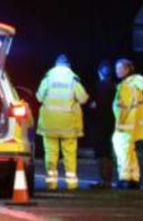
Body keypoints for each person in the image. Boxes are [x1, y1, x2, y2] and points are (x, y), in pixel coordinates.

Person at [36, 54, 89, 190]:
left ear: (55, 64)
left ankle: (51, 183)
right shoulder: (73, 78)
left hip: (50, 123)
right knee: (70, 154)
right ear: (68, 65)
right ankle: (71, 184)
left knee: (50, 154)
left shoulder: (48, 78)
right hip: (68, 124)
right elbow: (83, 98)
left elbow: (39, 97)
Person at [112, 58, 143, 190]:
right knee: (130, 153)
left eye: (119, 68)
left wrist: (119, 124)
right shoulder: (135, 85)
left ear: (127, 69)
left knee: (123, 153)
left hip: (124, 126)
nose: (116, 71)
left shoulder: (126, 86)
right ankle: (134, 178)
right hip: (133, 126)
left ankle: (125, 179)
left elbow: (123, 107)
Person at [89, 59, 116, 189]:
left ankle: (104, 181)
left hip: (99, 124)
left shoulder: (98, 87)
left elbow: (94, 106)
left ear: (99, 72)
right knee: (107, 153)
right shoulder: (115, 87)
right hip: (112, 123)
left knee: (101, 153)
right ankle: (107, 180)